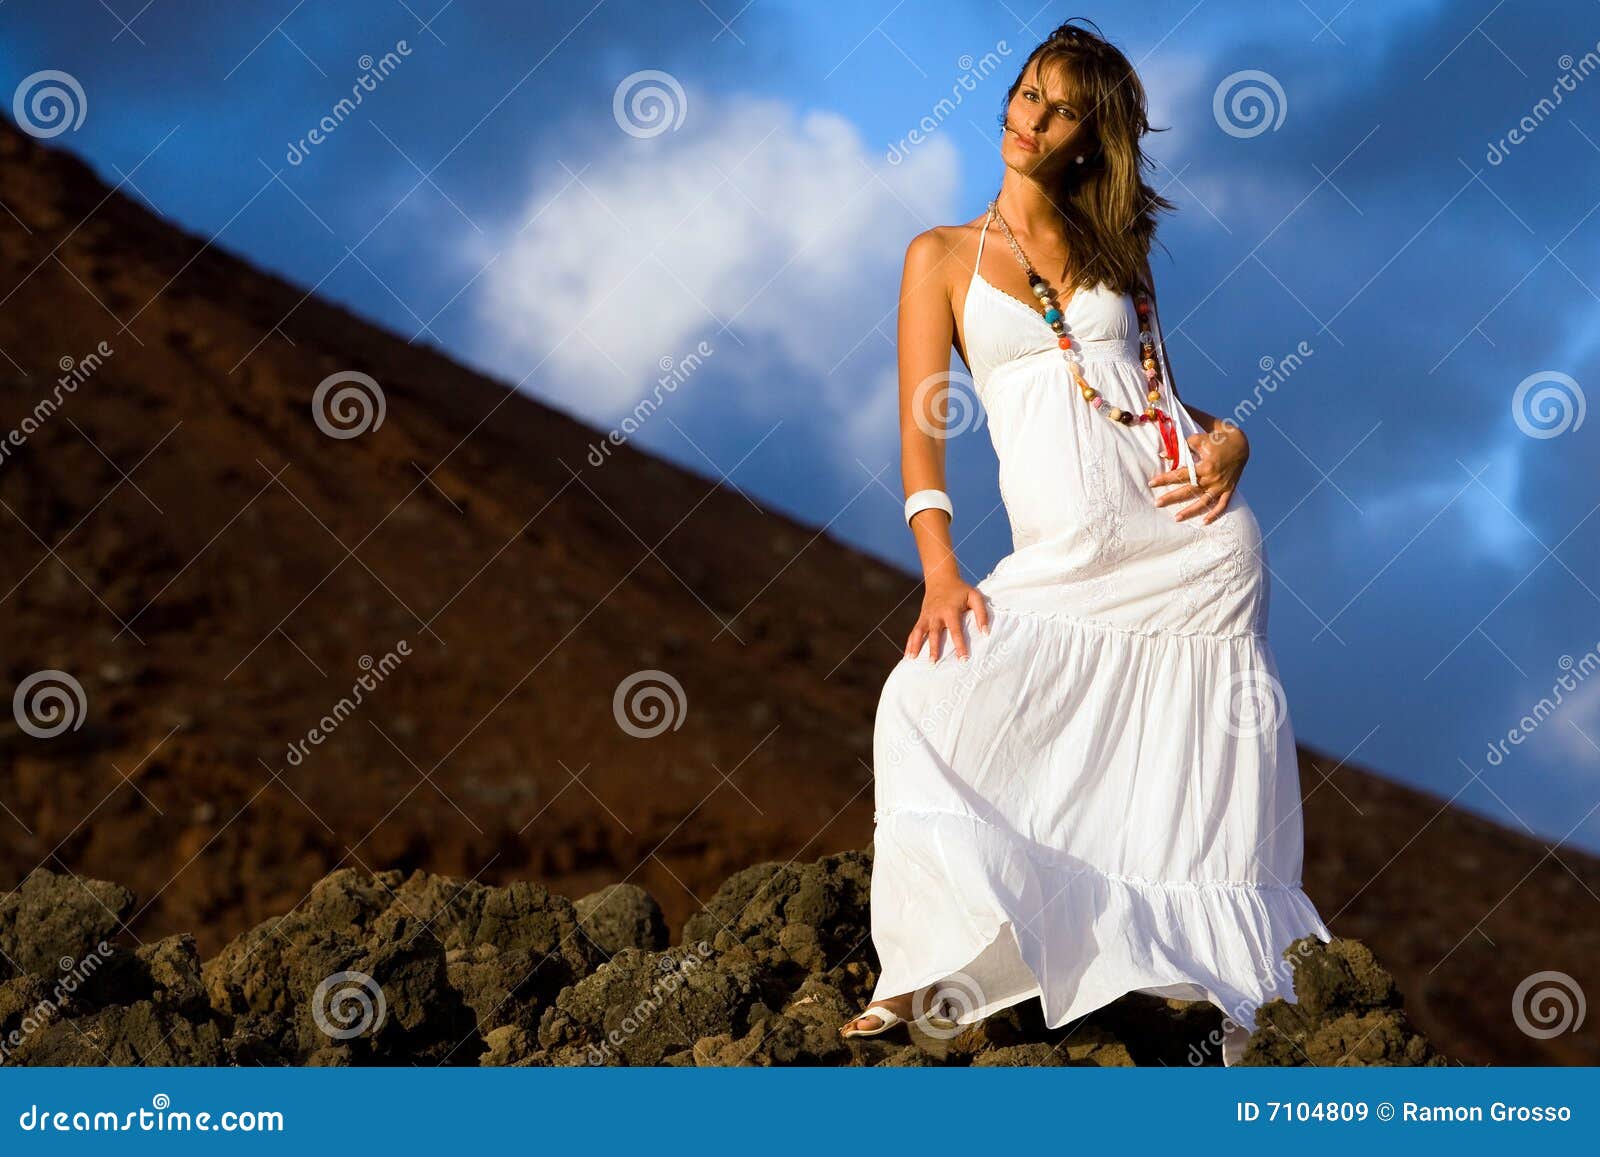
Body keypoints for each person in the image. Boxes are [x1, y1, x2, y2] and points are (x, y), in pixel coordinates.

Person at [839, 18, 1333, 1067]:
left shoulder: (1120, 252)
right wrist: (938, 568)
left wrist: (1233, 437)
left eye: (1060, 109)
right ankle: (933, 970)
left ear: (1087, 137)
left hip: (1190, 548)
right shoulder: (937, 257)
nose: (1032, 118)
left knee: (1174, 767)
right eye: (1026, 93)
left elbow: (1154, 396)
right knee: (921, 700)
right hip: (1061, 552)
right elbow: (919, 433)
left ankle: (1179, 967)